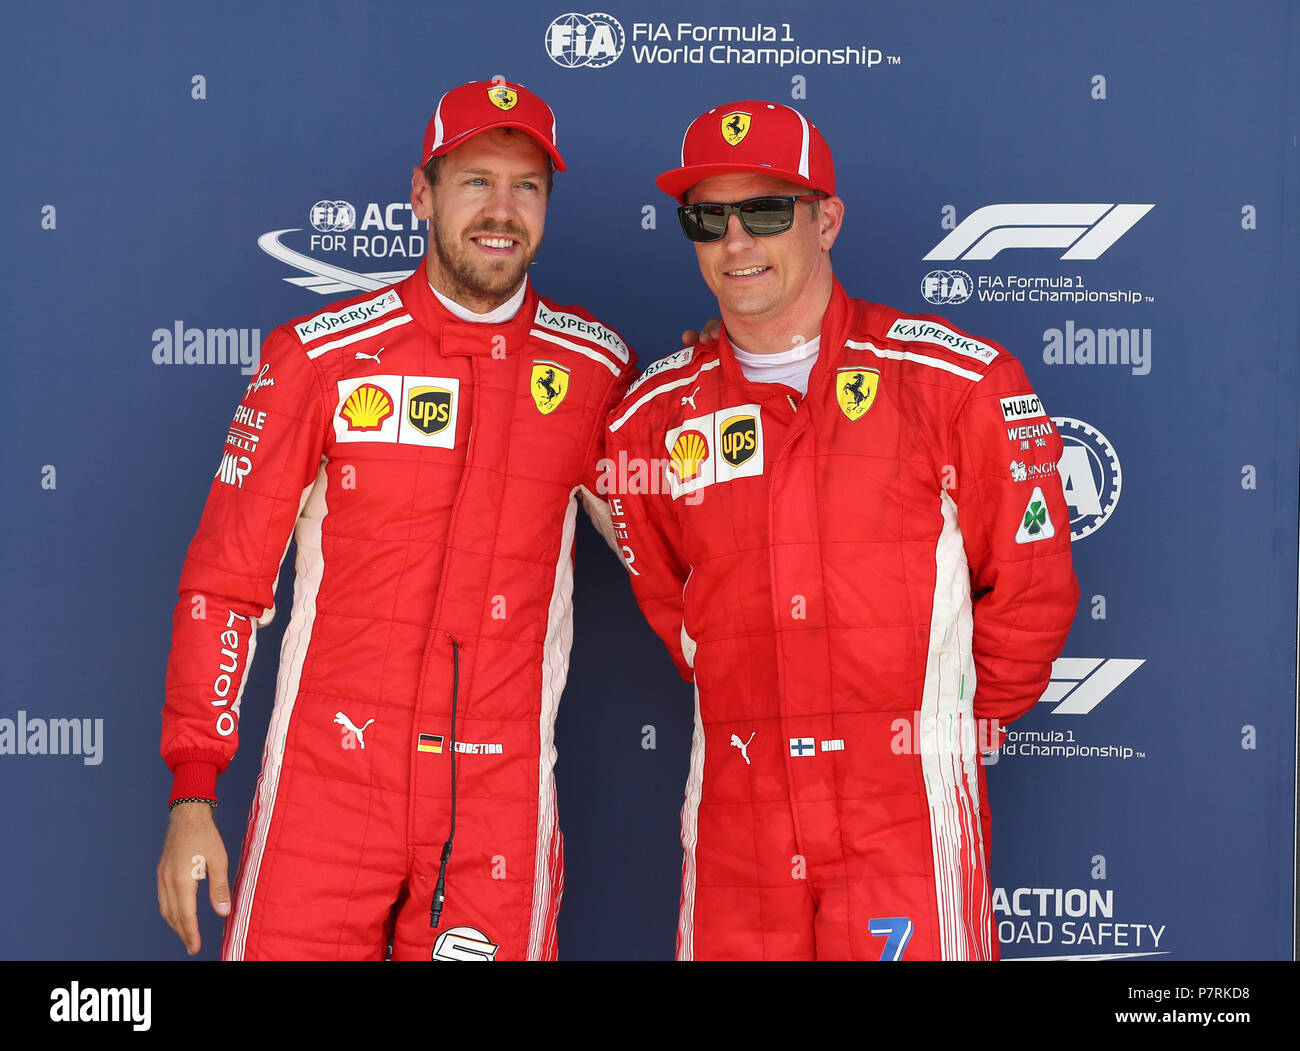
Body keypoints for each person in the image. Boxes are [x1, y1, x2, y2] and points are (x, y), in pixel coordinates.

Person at [157, 79, 639, 961]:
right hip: (327, 784)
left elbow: (686, 553)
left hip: (498, 795)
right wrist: (195, 789)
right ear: (422, 194)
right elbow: (226, 581)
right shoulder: (319, 357)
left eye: (526, 186)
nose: (501, 211)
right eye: (474, 182)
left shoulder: (595, 370)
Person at [604, 100, 1078, 960]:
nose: (736, 241)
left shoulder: (953, 381)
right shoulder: (650, 413)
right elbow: (674, 597)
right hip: (736, 819)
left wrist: (940, 742)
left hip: (900, 818)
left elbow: (1031, 591)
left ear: (827, 219)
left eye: (766, 212)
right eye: (707, 219)